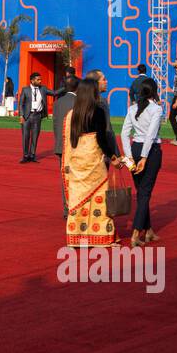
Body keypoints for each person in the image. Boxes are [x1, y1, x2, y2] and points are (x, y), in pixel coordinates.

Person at [64, 76, 120, 247]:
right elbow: (102, 139)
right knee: (99, 197)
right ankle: (101, 236)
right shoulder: (98, 111)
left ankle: (76, 236)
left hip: (77, 161)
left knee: (78, 198)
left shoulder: (73, 113)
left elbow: (71, 140)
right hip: (94, 160)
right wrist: (113, 157)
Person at [121, 76, 164, 247]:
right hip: (150, 152)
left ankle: (149, 231)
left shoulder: (132, 109)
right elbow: (151, 135)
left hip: (135, 149)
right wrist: (144, 158)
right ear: (154, 91)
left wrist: (129, 156)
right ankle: (136, 233)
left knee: (142, 192)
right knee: (144, 194)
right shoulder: (156, 109)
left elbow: (124, 133)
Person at [52, 75, 79, 219]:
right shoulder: (81, 102)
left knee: (65, 178)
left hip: (61, 146)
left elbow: (55, 125)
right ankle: (77, 207)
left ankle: (67, 208)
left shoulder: (58, 103)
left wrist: (58, 144)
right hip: (77, 147)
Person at [17, 72, 52, 162]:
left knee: (35, 137)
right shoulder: (25, 89)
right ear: (32, 80)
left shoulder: (43, 89)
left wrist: (67, 87)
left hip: (38, 116)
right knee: (26, 136)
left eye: (40, 79)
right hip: (27, 116)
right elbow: (21, 103)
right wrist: (21, 115)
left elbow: (54, 93)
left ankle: (32, 155)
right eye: (38, 79)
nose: (40, 81)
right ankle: (25, 156)